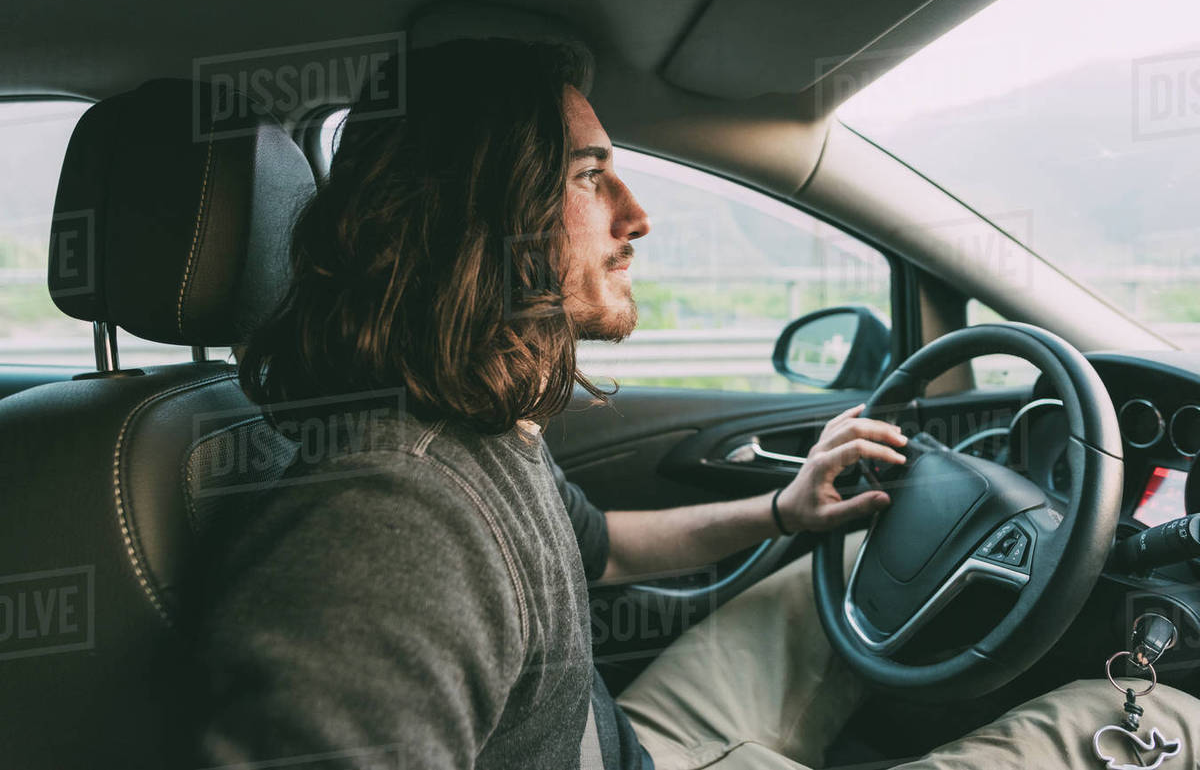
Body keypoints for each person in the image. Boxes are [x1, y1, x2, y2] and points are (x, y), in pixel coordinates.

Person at [186, 38, 1200, 770]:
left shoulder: (469, 424)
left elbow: (606, 548)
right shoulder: (386, 522)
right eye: (593, 180)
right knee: (1147, 720)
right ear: (479, 218)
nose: (639, 216)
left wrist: (784, 512)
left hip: (622, 743)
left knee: (826, 579)